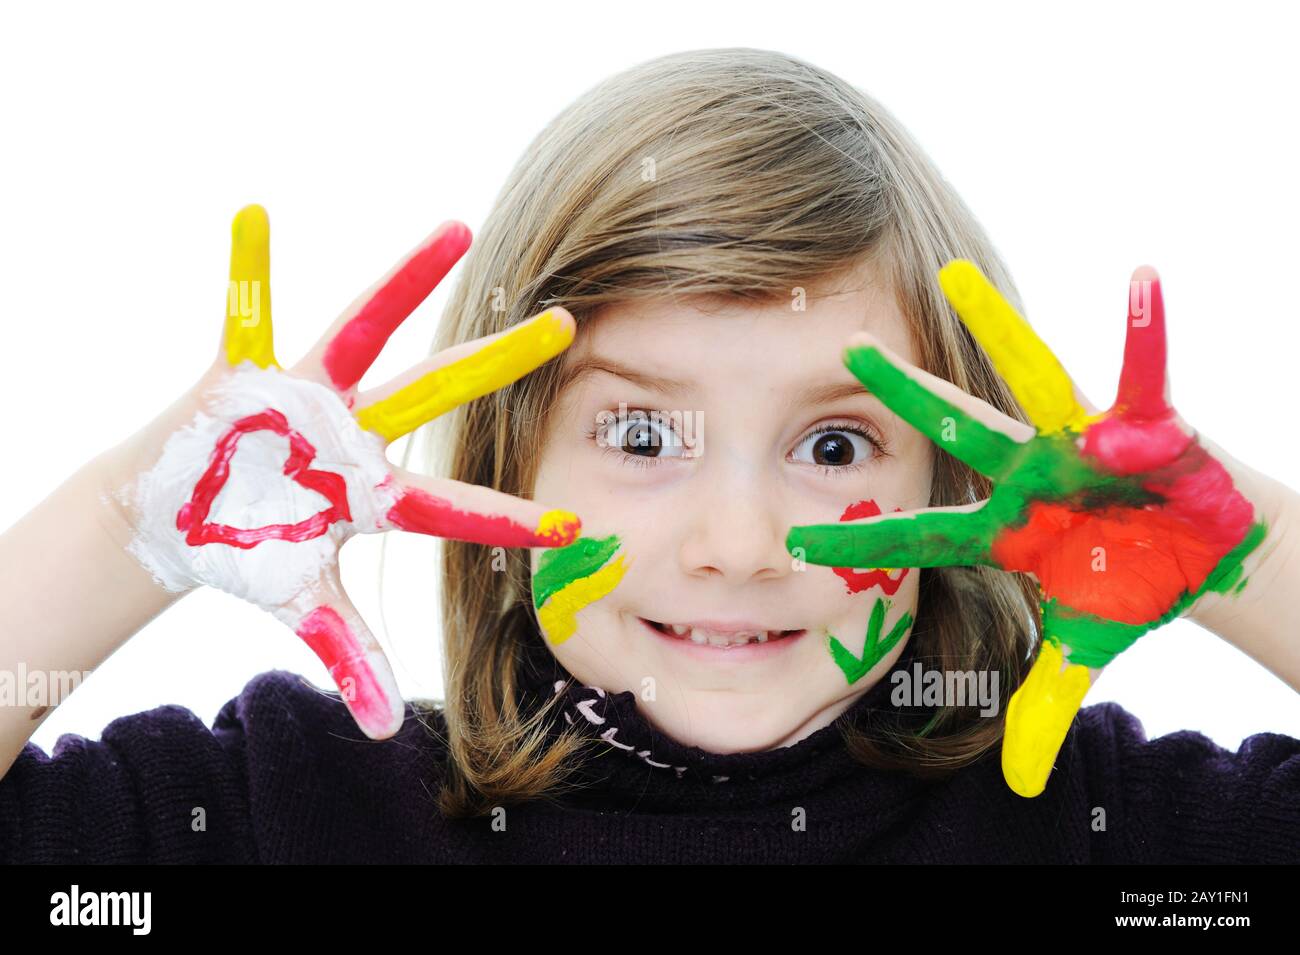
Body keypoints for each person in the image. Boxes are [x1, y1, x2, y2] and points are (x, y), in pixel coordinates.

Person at [2, 48, 1297, 863]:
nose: (735, 545)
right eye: (637, 434)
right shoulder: (297, 808)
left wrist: (1243, 547)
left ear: (955, 488)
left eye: (835, 441)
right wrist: (134, 519)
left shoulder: (1113, 830)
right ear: (508, 466)